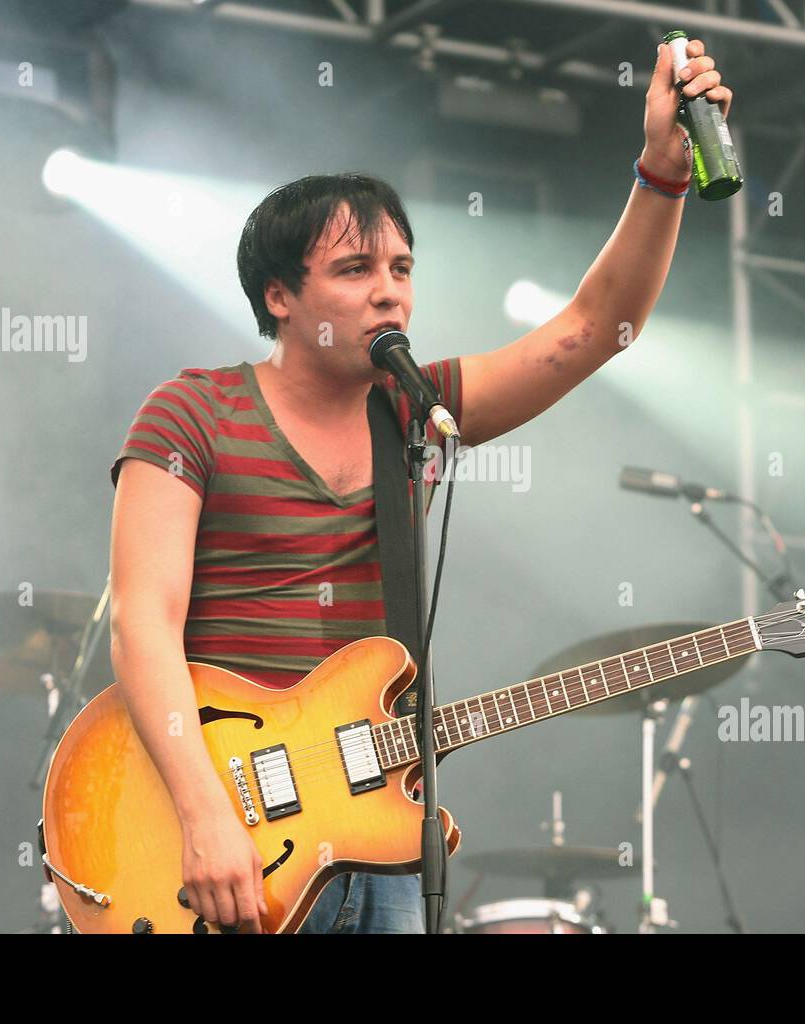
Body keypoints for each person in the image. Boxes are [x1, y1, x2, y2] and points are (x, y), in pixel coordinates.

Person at [108, 39, 731, 933]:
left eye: (401, 269)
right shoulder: (191, 411)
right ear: (280, 295)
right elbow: (142, 625)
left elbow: (598, 328)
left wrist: (662, 175)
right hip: (214, 840)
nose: (390, 293)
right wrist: (206, 815)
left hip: (380, 843)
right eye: (355, 271)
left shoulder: (415, 411)